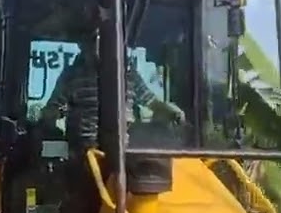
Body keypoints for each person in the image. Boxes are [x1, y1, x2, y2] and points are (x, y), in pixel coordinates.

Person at [40, 31, 185, 149]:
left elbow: (152, 102)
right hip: (83, 150)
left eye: (102, 41)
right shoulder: (72, 76)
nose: (97, 46)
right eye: (92, 41)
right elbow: (53, 109)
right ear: (83, 46)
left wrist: (173, 113)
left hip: (124, 151)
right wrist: (49, 119)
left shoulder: (129, 76)